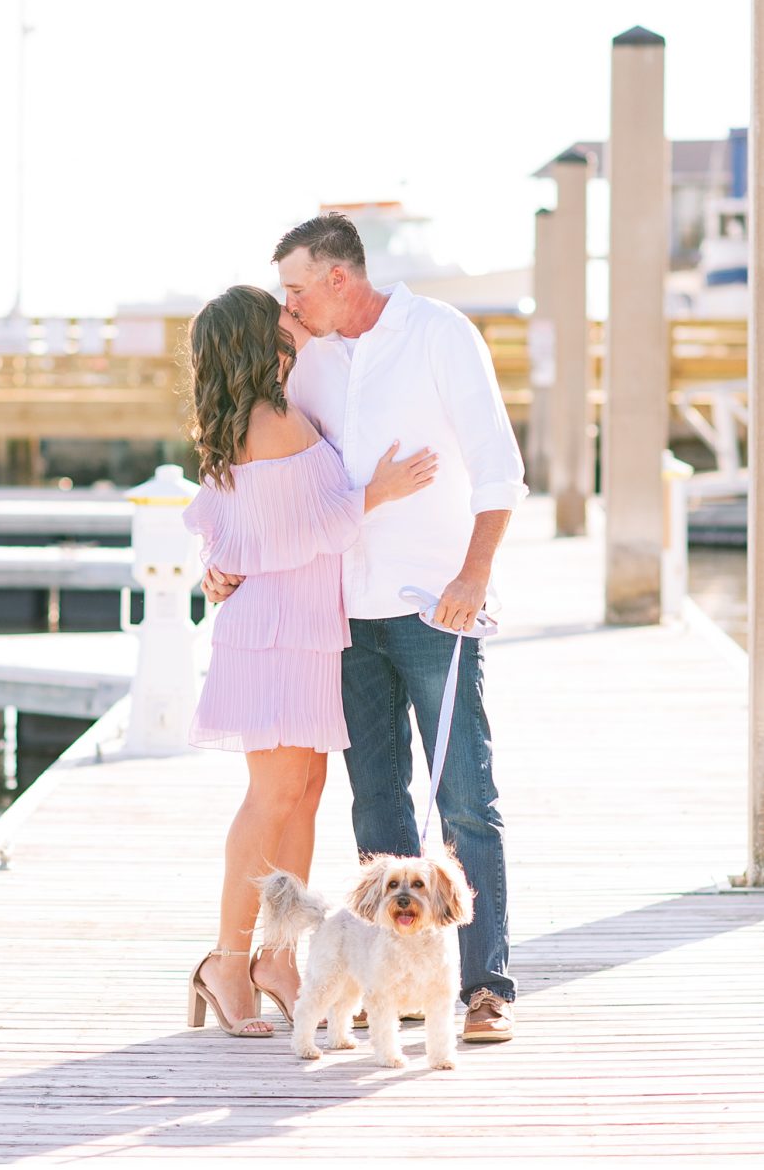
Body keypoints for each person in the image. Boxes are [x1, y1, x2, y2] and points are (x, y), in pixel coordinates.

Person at [204, 212, 528, 1043]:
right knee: (375, 801)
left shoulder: (439, 334)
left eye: (295, 289)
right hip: (337, 615)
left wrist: (474, 574)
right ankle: (399, 988)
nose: (287, 305)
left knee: (466, 797)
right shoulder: (308, 360)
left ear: (337, 279)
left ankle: (485, 986)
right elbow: (255, 467)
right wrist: (223, 556)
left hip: (433, 605)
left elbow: (499, 468)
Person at [180, 284, 440, 1038]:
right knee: (273, 796)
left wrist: (220, 565)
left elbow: (234, 522)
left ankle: (277, 958)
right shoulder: (271, 420)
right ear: (257, 340)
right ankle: (229, 961)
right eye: (282, 315)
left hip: (298, 626)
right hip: (276, 632)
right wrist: (377, 493)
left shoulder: (264, 414)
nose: (294, 320)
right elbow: (307, 529)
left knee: (304, 792)